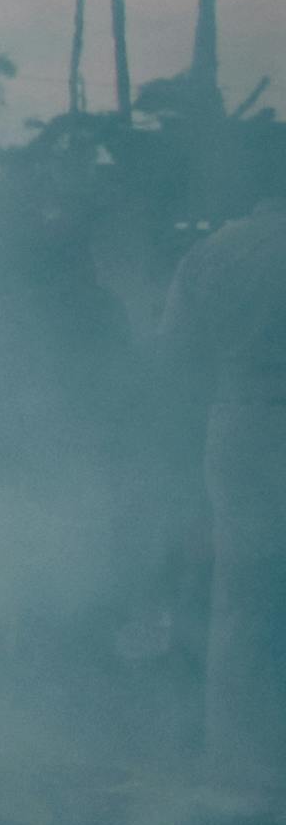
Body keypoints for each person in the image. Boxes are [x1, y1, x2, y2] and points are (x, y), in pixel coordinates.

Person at [172, 197, 286, 792]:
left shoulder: (214, 250)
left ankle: (244, 768)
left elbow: (178, 353)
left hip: (237, 421)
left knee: (243, 600)